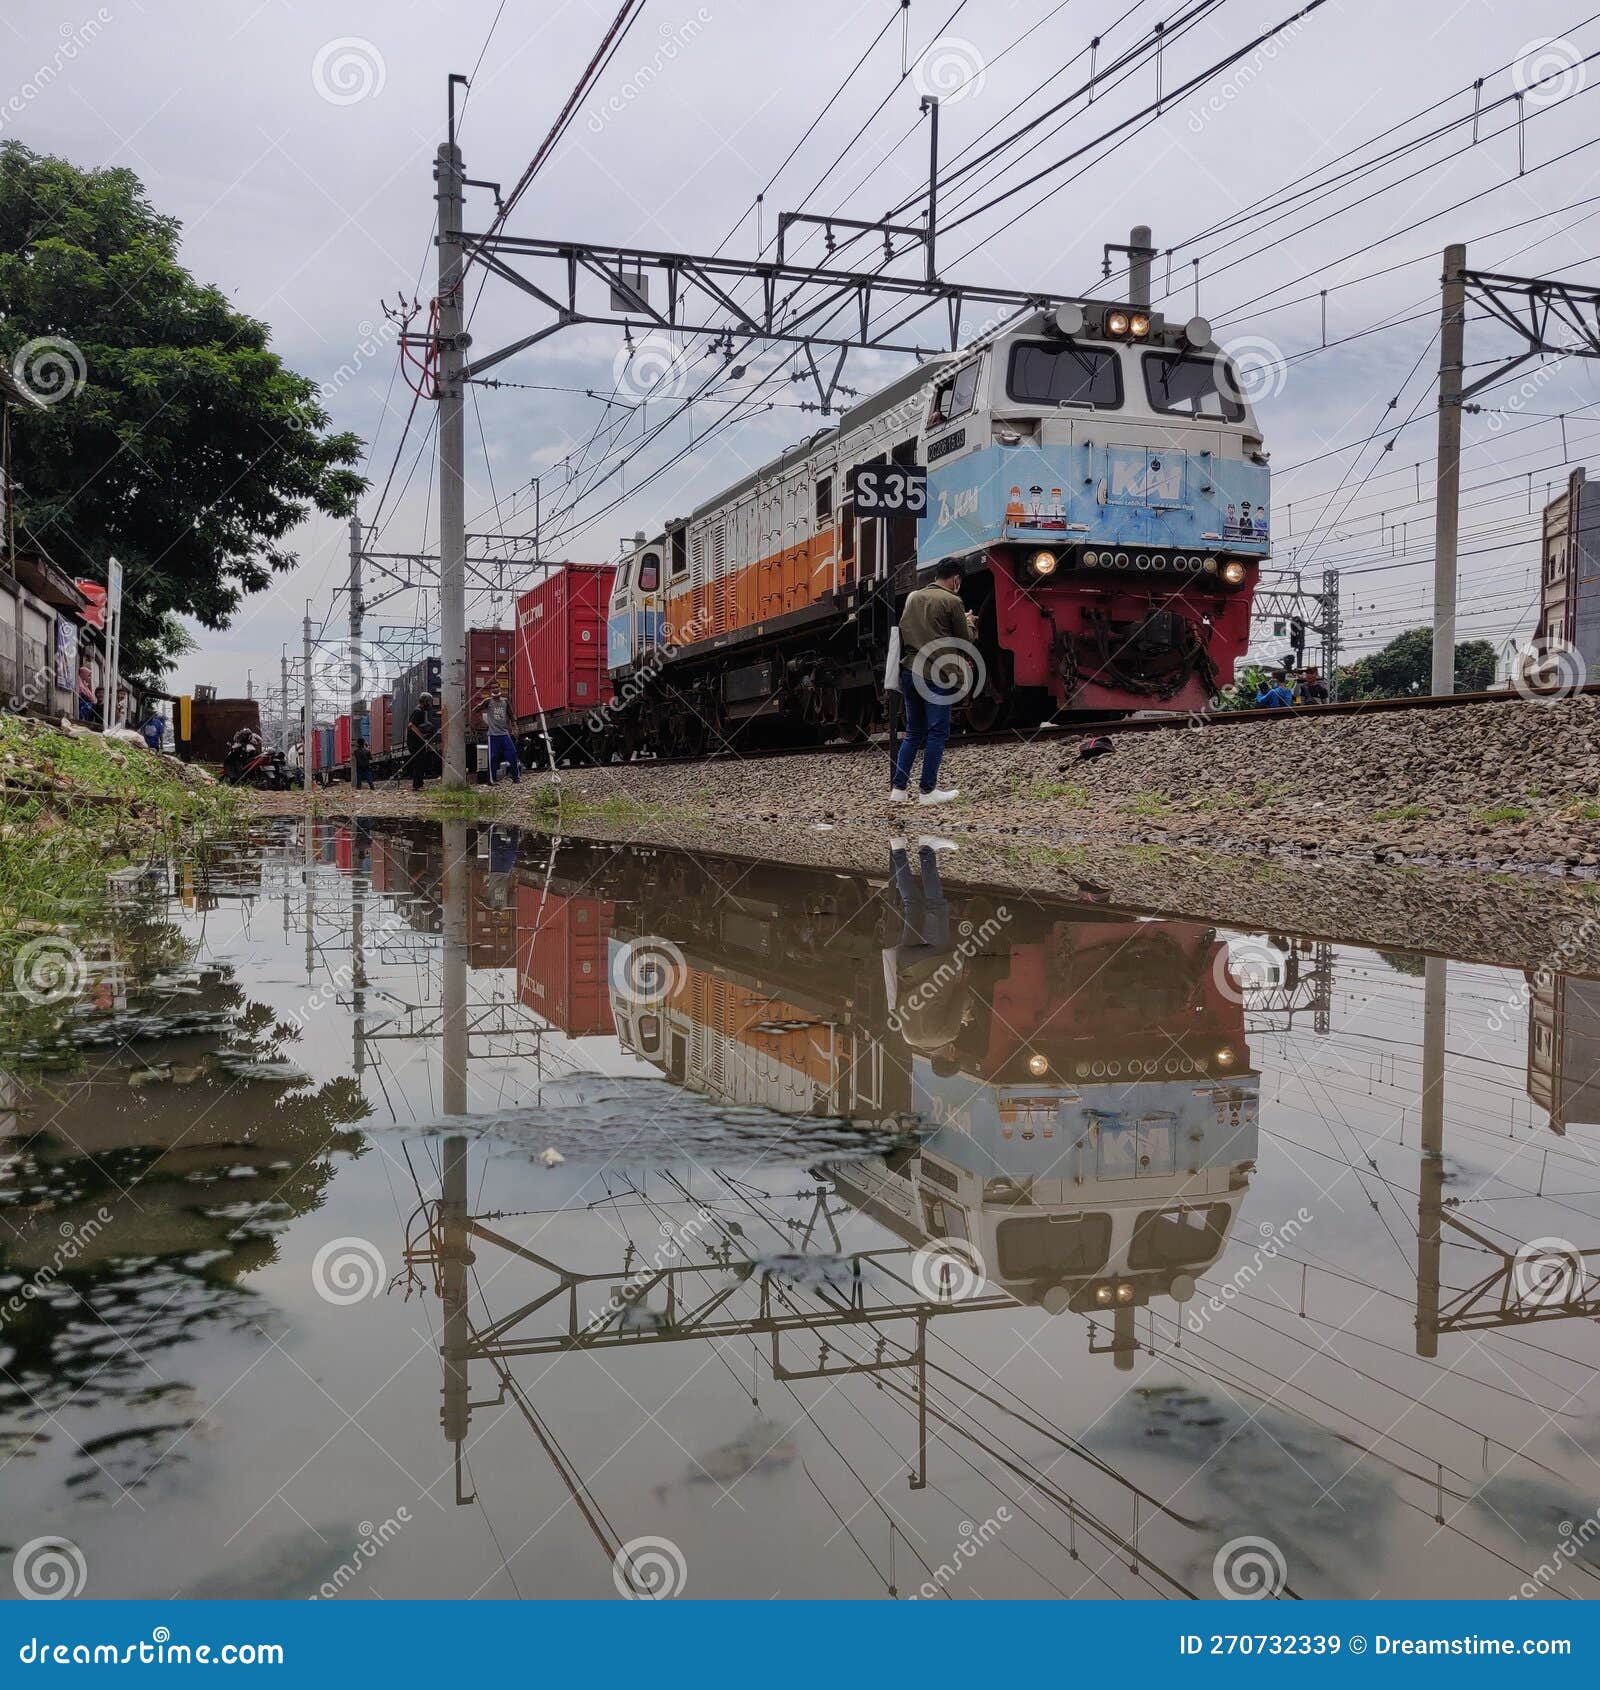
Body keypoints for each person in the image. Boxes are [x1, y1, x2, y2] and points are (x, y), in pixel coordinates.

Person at [889, 561, 976, 807]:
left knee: (913, 732)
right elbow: (964, 640)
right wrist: (970, 622)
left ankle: (898, 789)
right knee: (937, 731)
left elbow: (905, 631)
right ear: (956, 579)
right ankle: (928, 791)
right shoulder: (953, 602)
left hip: (909, 671)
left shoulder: (913, 597)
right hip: (936, 672)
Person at [481, 681, 520, 784]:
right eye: (493, 688)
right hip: (493, 735)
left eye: (497, 687)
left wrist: (515, 727)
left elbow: (511, 715)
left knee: (512, 754)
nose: (495, 689)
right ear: (491, 690)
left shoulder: (505, 701)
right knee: (493, 757)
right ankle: (491, 780)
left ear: (500, 688)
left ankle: (516, 778)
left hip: (504, 734)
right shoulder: (488, 702)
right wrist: (484, 721)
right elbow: (476, 710)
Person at [406, 692, 439, 792]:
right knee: (419, 763)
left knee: (421, 762)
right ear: (425, 701)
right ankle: (417, 786)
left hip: (415, 741)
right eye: (429, 702)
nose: (430, 704)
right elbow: (411, 725)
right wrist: (422, 737)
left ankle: (419, 784)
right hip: (415, 742)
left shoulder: (420, 711)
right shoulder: (418, 711)